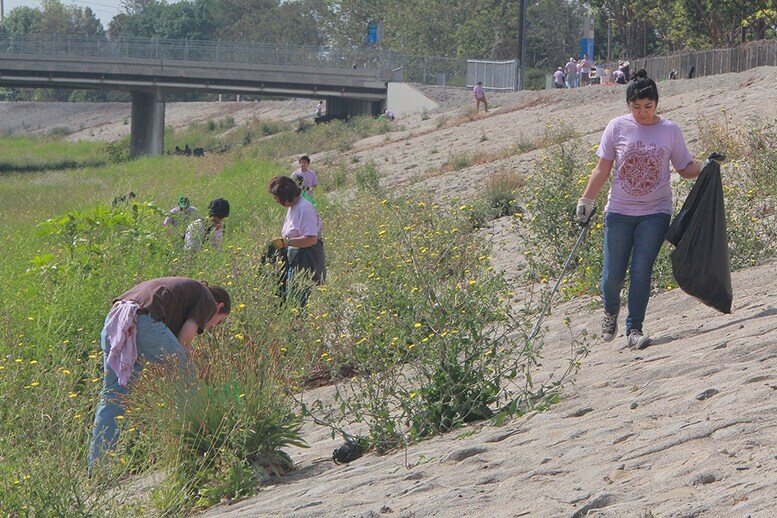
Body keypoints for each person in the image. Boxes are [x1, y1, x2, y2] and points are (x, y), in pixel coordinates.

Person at [576, 70, 701, 349]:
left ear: (656, 103)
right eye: (636, 107)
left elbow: (684, 168)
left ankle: (634, 330)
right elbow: (602, 169)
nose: (643, 113)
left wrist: (706, 168)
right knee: (612, 276)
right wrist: (586, 200)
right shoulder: (616, 127)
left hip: (655, 212)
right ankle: (610, 311)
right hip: (619, 211)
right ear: (628, 105)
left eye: (648, 107)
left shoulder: (670, 130)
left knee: (641, 270)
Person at [88, 277, 231, 470]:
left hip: (115, 320)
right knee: (186, 379)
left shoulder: (183, 297)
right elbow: (184, 342)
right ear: (218, 306)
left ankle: (98, 469)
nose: (211, 327)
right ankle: (196, 454)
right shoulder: (205, 298)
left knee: (114, 396)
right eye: (218, 322)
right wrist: (204, 369)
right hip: (142, 320)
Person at [268, 175, 326, 307]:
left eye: (276, 197)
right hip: (295, 257)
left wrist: (287, 242)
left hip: (307, 259)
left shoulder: (305, 208)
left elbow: (311, 239)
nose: (276, 201)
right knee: (291, 296)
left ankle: (301, 325)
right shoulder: (293, 206)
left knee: (301, 299)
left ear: (286, 196)